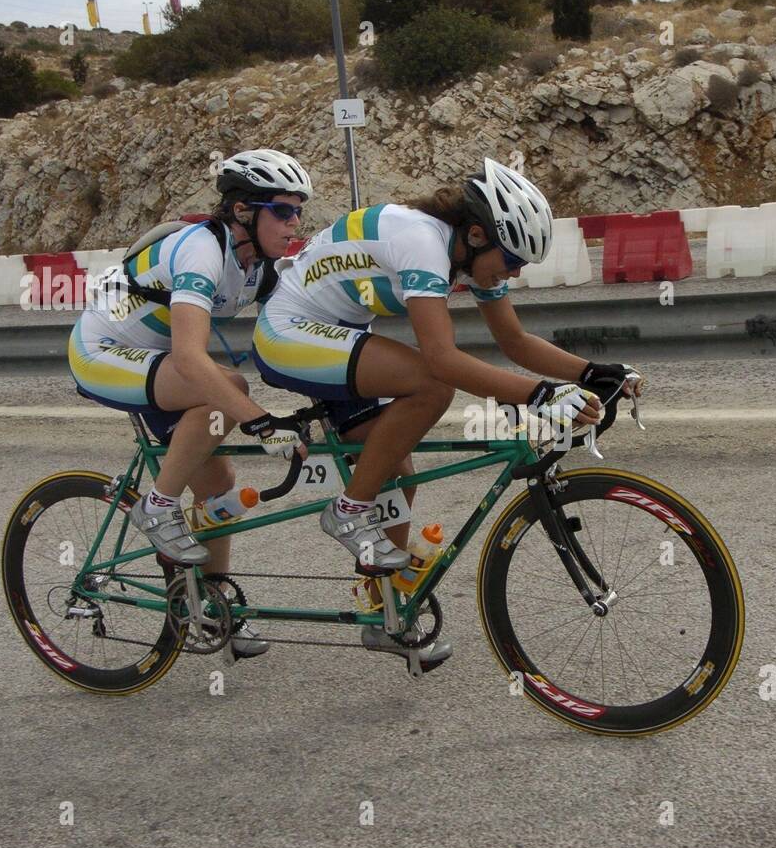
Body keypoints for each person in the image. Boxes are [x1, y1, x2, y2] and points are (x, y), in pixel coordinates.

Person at [252, 158, 644, 669]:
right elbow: (441, 359)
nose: (517, 272)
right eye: (512, 259)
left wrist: (593, 372)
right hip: (287, 333)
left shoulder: (469, 252)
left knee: (396, 471)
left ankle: (384, 613)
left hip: (333, 335)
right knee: (430, 386)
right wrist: (541, 396)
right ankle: (347, 512)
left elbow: (514, 341)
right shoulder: (421, 240)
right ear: (477, 233)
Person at [69, 148, 313, 658]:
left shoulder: (259, 266)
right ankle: (157, 507)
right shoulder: (202, 248)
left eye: (299, 211)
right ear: (244, 211)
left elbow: (299, 332)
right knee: (229, 388)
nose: (295, 223)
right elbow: (189, 360)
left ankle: (214, 606)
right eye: (284, 211)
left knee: (219, 489)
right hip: (104, 351)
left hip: (155, 364)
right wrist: (263, 424)